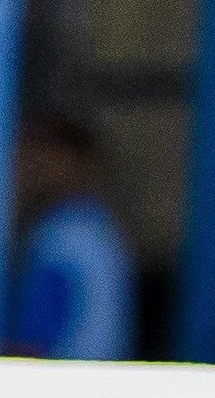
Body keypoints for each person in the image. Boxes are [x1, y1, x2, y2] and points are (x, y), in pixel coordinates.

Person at [8, 111, 137, 361]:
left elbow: (32, 342)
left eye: (39, 155)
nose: (30, 167)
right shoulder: (98, 225)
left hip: (62, 386)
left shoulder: (64, 235)